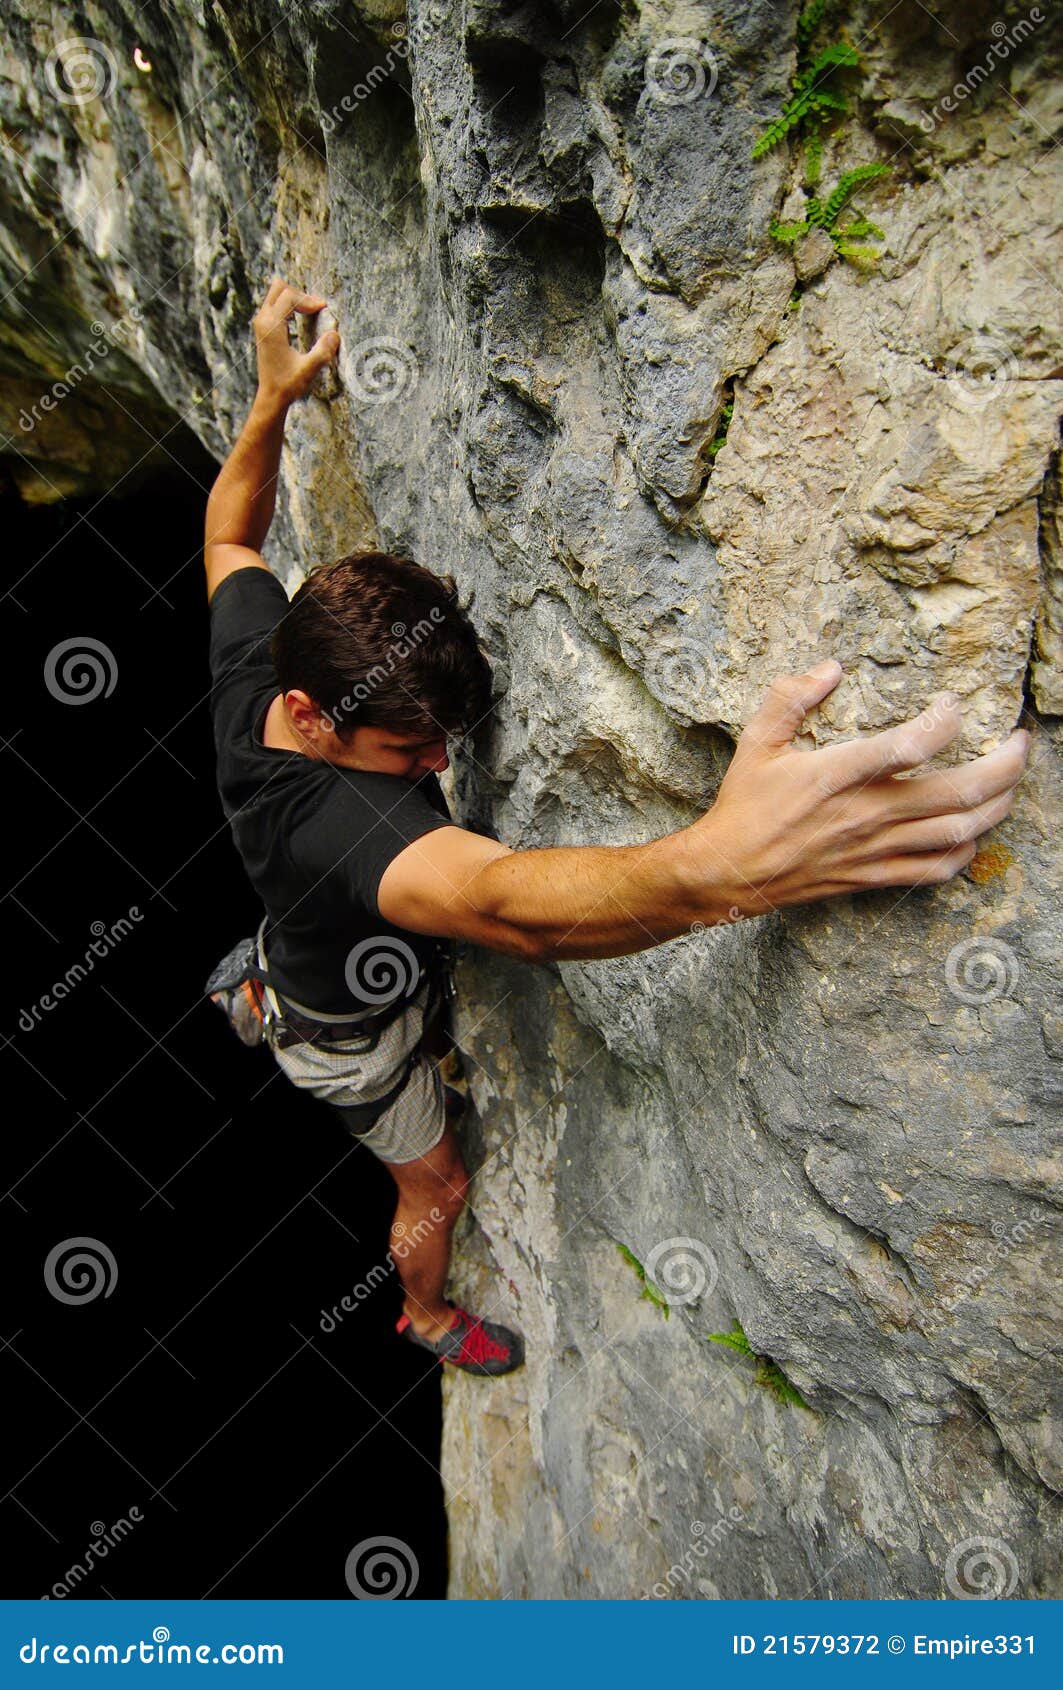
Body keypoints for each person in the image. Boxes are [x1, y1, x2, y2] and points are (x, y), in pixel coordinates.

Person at [205, 279, 1030, 1379]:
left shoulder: (255, 663)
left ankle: (267, 982)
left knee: (349, 963)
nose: (441, 765)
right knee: (434, 1180)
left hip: (312, 940)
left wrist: (270, 401)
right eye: (411, 753)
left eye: (444, 737)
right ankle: (424, 1318)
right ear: (313, 718)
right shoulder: (342, 835)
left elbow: (228, 533)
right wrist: (721, 866)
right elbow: (511, 909)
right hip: (348, 1030)